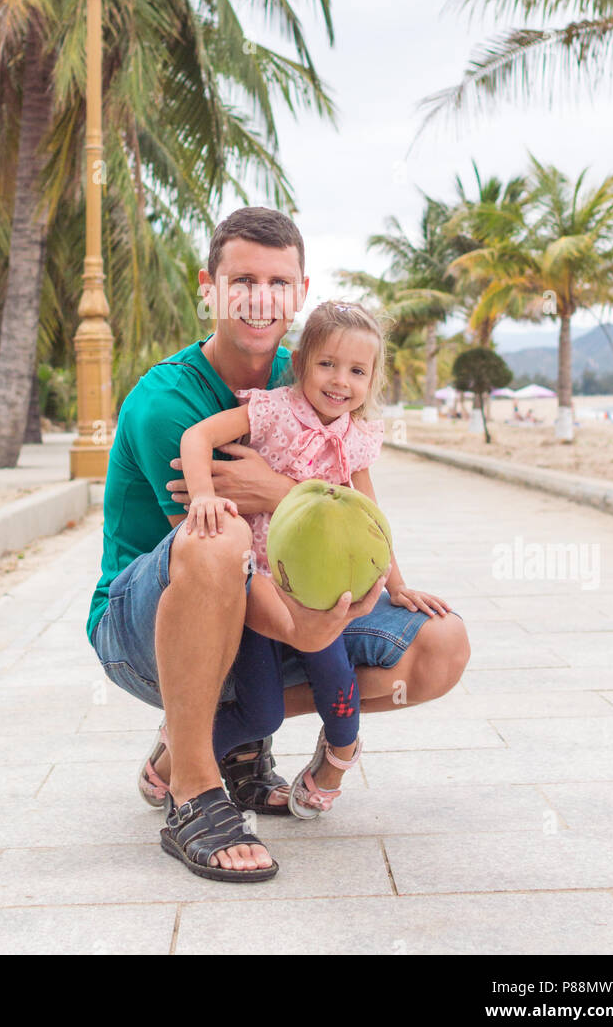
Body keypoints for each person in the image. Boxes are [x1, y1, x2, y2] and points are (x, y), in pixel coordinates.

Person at [86, 206, 470, 883]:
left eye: (277, 281)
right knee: (219, 533)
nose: (260, 297)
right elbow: (221, 548)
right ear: (209, 287)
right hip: (147, 628)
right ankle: (194, 790)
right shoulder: (168, 401)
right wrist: (306, 622)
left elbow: (349, 503)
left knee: (440, 648)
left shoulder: (319, 377)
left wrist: (367, 575)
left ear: (299, 292)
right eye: (241, 280)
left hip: (274, 611)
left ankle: (203, 733)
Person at [178, 300, 451, 820]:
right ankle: (186, 753)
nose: (339, 381)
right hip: (258, 591)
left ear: (373, 380)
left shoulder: (357, 440)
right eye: (327, 364)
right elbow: (197, 437)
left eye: (357, 370)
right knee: (261, 714)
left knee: (339, 692)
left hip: (326, 598)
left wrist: (398, 585)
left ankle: (339, 756)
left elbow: (369, 521)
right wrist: (203, 496)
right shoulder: (275, 411)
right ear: (301, 362)